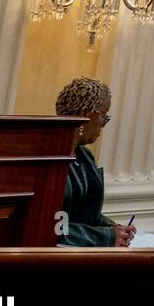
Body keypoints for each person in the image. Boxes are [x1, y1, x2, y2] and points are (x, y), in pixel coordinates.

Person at [56, 77, 134, 248]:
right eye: (103, 116)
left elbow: (86, 214)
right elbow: (52, 228)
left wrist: (111, 227)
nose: (103, 125)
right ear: (86, 114)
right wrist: (105, 236)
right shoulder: (49, 158)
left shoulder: (85, 156)